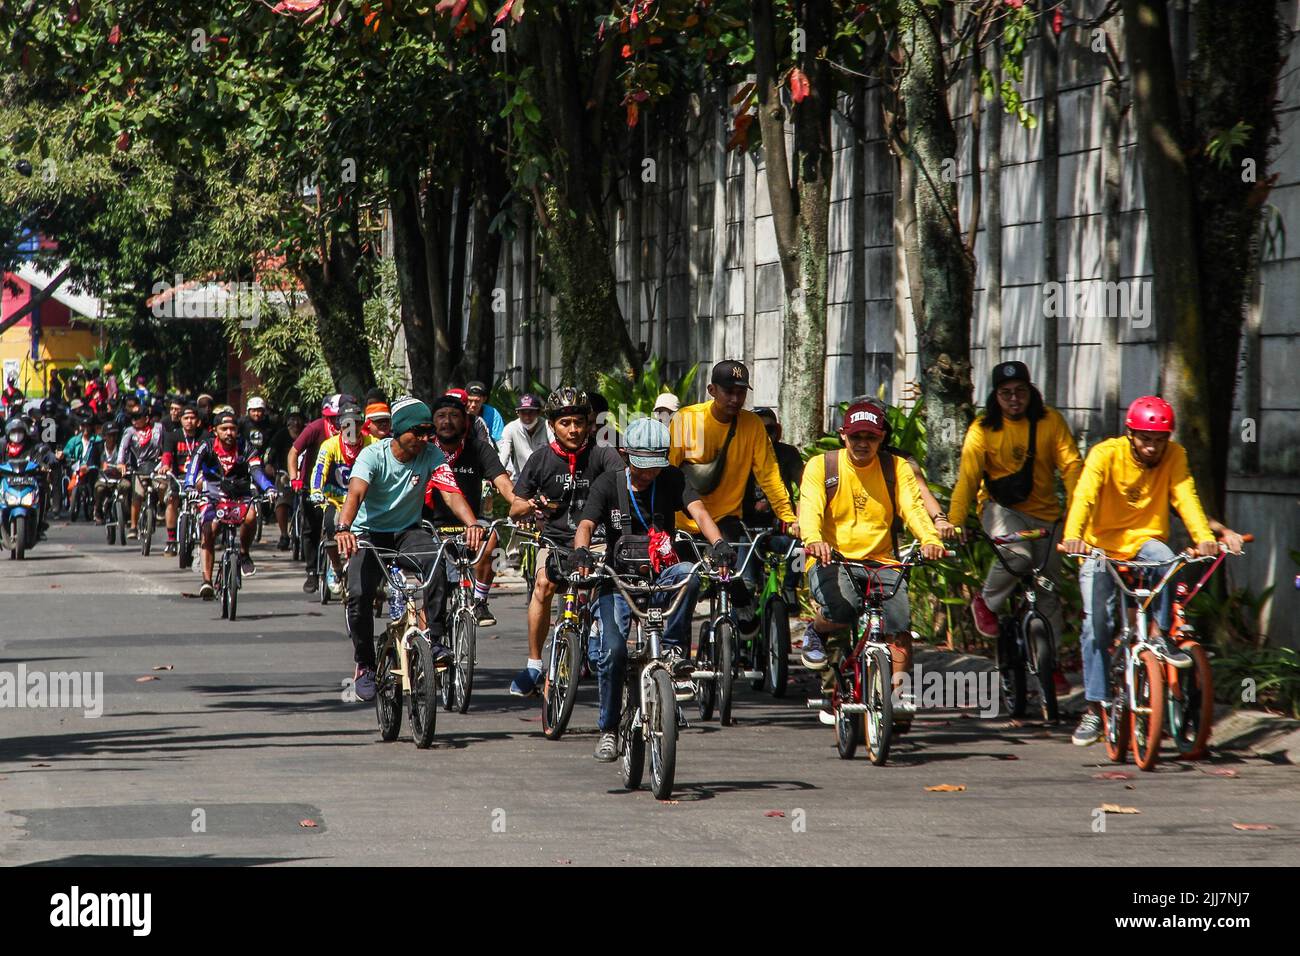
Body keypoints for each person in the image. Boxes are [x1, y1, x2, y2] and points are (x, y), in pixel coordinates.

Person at [1061, 395, 1246, 747]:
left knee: (1168, 559)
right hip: (1099, 546)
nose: (1152, 448)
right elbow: (1084, 497)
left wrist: (1204, 538)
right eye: (1146, 439)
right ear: (1130, 434)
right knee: (1096, 624)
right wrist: (1073, 537)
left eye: (1160, 440)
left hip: (1146, 542)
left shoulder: (1175, 456)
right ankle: (1094, 706)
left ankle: (1160, 638)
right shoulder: (1105, 454)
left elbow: (1185, 497)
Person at [573, 417, 734, 761]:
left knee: (689, 571)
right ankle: (608, 729)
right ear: (626, 455)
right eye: (640, 466)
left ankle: (675, 652)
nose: (647, 474)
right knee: (613, 651)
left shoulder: (672, 479)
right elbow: (586, 523)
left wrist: (718, 543)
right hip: (617, 580)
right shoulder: (607, 483)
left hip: (661, 575)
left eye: (654, 467)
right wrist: (582, 552)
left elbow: (700, 512)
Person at [796, 399, 946, 726]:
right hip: (832, 558)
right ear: (843, 436)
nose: (863, 443)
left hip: (882, 562)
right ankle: (815, 631)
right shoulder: (822, 467)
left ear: (881, 438)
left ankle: (896, 698)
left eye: (871, 437)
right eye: (856, 436)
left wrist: (930, 539)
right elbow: (810, 511)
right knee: (844, 608)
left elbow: (914, 510)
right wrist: (814, 540)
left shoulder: (897, 467)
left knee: (899, 629)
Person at [334, 398, 485, 701]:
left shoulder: (431, 454)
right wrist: (344, 528)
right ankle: (364, 663)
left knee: (437, 563)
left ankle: (437, 640)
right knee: (359, 595)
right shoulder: (372, 456)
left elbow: (450, 493)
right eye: (417, 432)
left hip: (407, 532)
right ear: (399, 431)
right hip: (368, 534)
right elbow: (356, 493)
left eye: (428, 432)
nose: (424, 439)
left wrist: (472, 523)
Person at [943, 362, 1082, 660]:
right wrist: (954, 522)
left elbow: (1071, 467)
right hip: (999, 509)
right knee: (1018, 555)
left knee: (1049, 592)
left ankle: (1049, 663)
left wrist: (1077, 515)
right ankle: (986, 602)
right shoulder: (982, 429)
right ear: (996, 396)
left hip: (1046, 514)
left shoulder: (1050, 421)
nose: (1014, 399)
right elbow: (967, 479)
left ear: (1031, 391)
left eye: (1020, 391)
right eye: (1006, 393)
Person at [668, 360, 800, 641]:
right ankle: (674, 649)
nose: (735, 398)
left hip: (726, 518)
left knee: (731, 565)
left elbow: (770, 476)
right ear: (712, 390)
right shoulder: (686, 420)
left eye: (741, 392)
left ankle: (741, 604)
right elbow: (666, 471)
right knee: (684, 587)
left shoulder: (751, 425)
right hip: (684, 520)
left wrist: (788, 517)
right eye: (728, 391)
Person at [507, 386, 625, 697]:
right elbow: (515, 507)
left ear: (589, 424)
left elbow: (626, 493)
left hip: (599, 543)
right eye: (564, 423)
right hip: (556, 542)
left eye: (578, 422)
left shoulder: (604, 455)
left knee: (612, 588)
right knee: (544, 584)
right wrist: (534, 505)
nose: (573, 429)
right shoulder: (540, 459)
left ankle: (604, 645)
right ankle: (534, 664)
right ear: (552, 426)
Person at [421, 394, 517, 626]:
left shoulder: (479, 449)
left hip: (472, 525)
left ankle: (480, 600)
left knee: (493, 538)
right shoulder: (423, 451)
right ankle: (428, 645)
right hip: (429, 527)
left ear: (465, 421)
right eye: (441, 416)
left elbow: (503, 482)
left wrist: (520, 505)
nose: (447, 421)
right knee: (435, 593)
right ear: (433, 422)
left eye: (454, 416)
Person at [185, 411, 275, 599]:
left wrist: (269, 488)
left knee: (251, 517)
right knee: (209, 530)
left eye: (232, 429)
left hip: (239, 493)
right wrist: (190, 485)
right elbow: (193, 466)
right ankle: (207, 581)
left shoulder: (246, 447)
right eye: (224, 429)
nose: (229, 433)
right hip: (213, 495)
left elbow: (257, 470)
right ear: (215, 431)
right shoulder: (206, 446)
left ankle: (243, 553)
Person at [291, 394, 354, 593]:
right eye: (332, 418)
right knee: (313, 527)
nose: (337, 423)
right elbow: (293, 452)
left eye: (341, 418)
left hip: (347, 490)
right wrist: (295, 479)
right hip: (315, 487)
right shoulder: (316, 429)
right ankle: (312, 571)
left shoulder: (359, 432)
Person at [311, 405, 375, 591]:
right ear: (340, 427)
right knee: (331, 525)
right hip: (335, 499)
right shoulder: (329, 445)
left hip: (364, 501)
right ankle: (336, 566)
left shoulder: (373, 443)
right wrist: (316, 491)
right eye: (347, 425)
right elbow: (319, 470)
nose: (351, 430)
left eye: (356, 424)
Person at [743, 406, 804, 528]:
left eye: (768, 430)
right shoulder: (739, 454)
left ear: (777, 431)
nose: (763, 435)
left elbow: (805, 486)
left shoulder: (788, 453)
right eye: (757, 430)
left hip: (782, 522)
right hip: (745, 523)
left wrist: (800, 516)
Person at [160, 404, 206, 554]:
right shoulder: (173, 436)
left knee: (205, 502)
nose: (189, 421)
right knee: (172, 500)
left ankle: (205, 535)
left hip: (199, 477)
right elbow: (167, 454)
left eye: (192, 418)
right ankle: (172, 540)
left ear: (197, 421)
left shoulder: (205, 436)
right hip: (178, 477)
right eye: (186, 418)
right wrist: (166, 466)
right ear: (180, 420)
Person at [117, 405, 167, 542]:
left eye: (137, 417)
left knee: (162, 487)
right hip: (138, 467)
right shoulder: (130, 431)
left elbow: (165, 446)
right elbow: (123, 448)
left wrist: (166, 460)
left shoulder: (158, 428)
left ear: (146, 418)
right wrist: (121, 463)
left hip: (156, 465)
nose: (134, 420)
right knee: (137, 495)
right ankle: (133, 526)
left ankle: (161, 506)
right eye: (132, 418)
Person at [265, 405, 306, 550]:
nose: (295, 423)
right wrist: (268, 464)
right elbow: (269, 452)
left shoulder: (308, 433)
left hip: (306, 475)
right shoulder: (281, 435)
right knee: (281, 501)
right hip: (285, 475)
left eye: (298, 419)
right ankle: (284, 534)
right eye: (292, 419)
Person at [497, 393, 547, 481]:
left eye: (531, 412)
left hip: (545, 478)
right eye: (523, 412)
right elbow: (504, 454)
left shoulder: (548, 426)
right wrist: (496, 475)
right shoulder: (511, 428)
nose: (527, 417)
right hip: (521, 480)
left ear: (538, 412)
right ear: (517, 413)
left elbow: (556, 449)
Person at [94, 422, 124, 523]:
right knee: (99, 488)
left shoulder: (122, 448)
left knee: (127, 486)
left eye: (114, 435)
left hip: (118, 479)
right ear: (104, 436)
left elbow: (129, 461)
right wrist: (100, 466)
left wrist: (124, 466)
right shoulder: (97, 447)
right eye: (109, 435)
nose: (112, 438)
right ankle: (97, 511)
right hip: (103, 478)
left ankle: (125, 511)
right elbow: (91, 461)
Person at [464, 381, 504, 446]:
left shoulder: (492, 413)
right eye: (470, 400)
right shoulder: (458, 411)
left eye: (477, 401)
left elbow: (500, 441)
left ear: (484, 399)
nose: (473, 405)